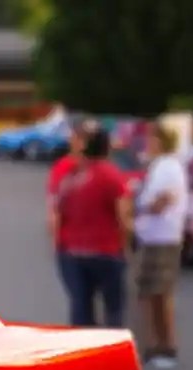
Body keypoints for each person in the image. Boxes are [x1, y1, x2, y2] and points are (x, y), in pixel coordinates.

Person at [53, 127, 134, 327]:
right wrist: (127, 247)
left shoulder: (71, 176)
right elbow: (123, 216)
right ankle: (112, 353)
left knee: (81, 308)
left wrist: (59, 245)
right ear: (107, 148)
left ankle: (85, 352)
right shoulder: (112, 176)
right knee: (113, 308)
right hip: (105, 251)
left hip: (73, 251)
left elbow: (58, 213)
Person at [134, 122, 188, 369]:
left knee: (160, 293)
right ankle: (155, 343)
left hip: (164, 238)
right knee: (149, 293)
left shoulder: (169, 167)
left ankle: (167, 346)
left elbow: (163, 201)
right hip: (152, 237)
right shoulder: (158, 165)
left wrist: (139, 208)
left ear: (162, 141)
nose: (148, 143)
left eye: (152, 139)